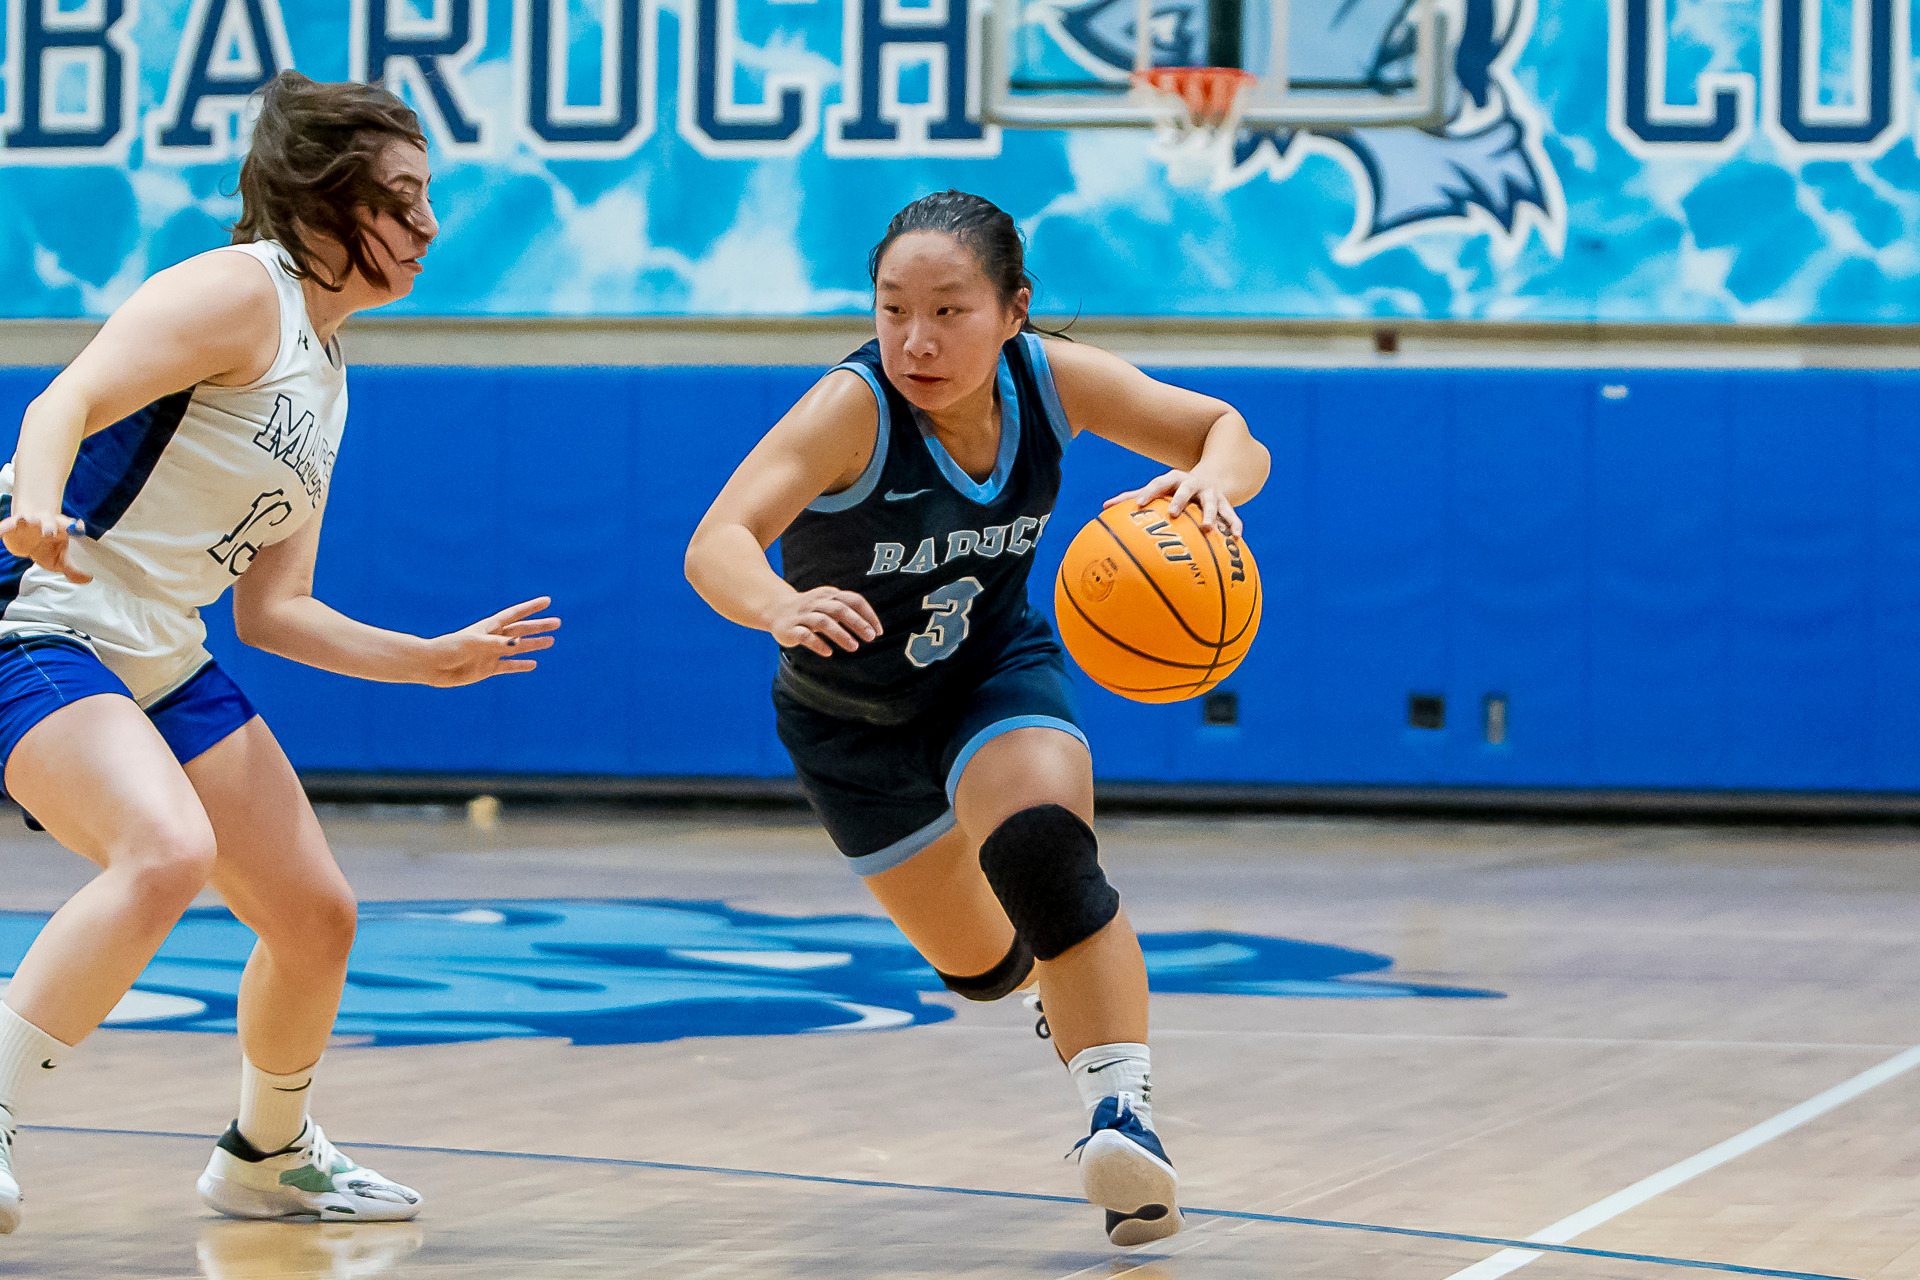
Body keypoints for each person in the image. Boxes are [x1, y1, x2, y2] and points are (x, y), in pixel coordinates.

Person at [0, 71, 560, 1233]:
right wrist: (38, 508)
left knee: (315, 914)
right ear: (324, 203)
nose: (430, 225)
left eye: (427, 197)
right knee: (162, 850)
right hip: (38, 611)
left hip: (154, 645)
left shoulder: (328, 363)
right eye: (403, 199)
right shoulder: (238, 290)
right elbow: (66, 397)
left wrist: (432, 656)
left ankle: (268, 1150)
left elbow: (276, 608)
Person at [685, 189, 1269, 1246]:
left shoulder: (1054, 382)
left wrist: (1212, 485)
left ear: (1013, 310)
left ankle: (1121, 1113)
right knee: (986, 968)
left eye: (949, 308)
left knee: (1047, 853)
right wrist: (777, 601)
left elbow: (1226, 431)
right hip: (848, 724)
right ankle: (1053, 975)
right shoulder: (849, 412)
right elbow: (718, 536)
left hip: (992, 670)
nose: (916, 338)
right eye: (892, 306)